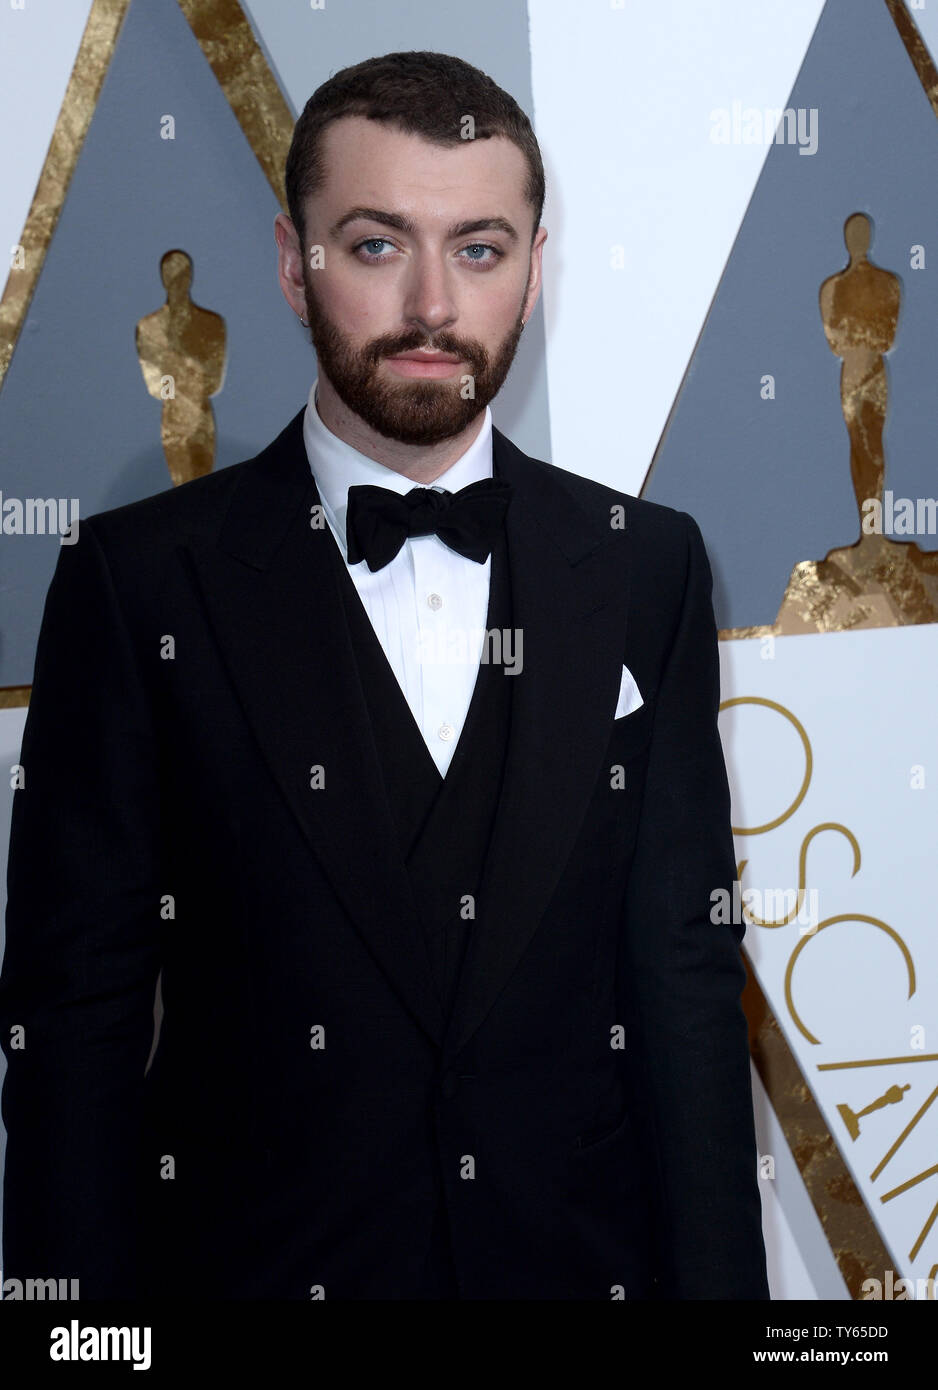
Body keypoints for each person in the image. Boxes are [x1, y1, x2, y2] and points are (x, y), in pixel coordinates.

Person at [0, 50, 769, 1300]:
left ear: (534, 263)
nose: (429, 304)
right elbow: (71, 1023)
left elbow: (680, 988)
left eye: (478, 247)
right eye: (373, 245)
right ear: (293, 263)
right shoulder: (140, 585)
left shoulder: (646, 570)